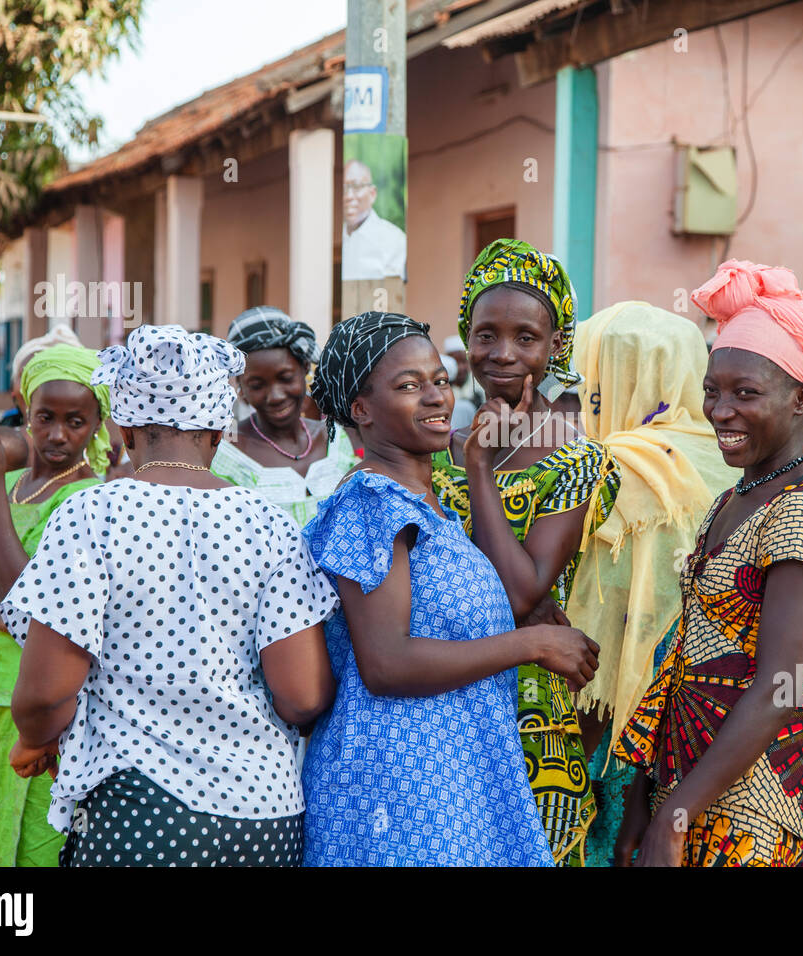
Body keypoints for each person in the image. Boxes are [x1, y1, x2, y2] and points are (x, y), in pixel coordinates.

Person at [1, 325, 336, 867]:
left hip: (137, 809)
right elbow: (301, 696)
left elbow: (44, 694)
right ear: (219, 432)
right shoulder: (269, 524)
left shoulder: (92, 514)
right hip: (264, 814)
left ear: (123, 427)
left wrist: (34, 739)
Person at [301, 311, 599, 866]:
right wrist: (532, 645)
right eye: (409, 386)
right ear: (360, 410)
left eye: (439, 380)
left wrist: (477, 462)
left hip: (453, 782)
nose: (436, 397)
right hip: (396, 793)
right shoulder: (373, 503)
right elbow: (386, 664)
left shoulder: (429, 505)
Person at [612, 260, 803, 867]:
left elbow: (781, 685)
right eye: (712, 390)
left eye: (745, 393)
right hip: (693, 780)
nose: (720, 410)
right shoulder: (736, 498)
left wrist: (673, 817)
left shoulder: (802, 515)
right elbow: (683, 656)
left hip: (750, 804)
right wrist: (647, 799)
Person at [432, 239, 620, 866]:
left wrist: (480, 467)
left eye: (526, 337)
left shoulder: (574, 457)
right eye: (486, 335)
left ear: (556, 345)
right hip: (439, 690)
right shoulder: (431, 451)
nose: (503, 354)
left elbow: (522, 592)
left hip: (530, 707)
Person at [564, 301, 740, 866]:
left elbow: (601, 618)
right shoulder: (733, 459)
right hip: (713, 725)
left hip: (615, 722)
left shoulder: (616, 467)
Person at [0, 344, 107, 867]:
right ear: (25, 413)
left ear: (99, 424)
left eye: (76, 421)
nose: (58, 434)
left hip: (44, 700)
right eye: (45, 418)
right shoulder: (13, 487)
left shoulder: (85, 500)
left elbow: (26, 602)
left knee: (37, 835)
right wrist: (0, 615)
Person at [212, 306, 358, 525]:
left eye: (286, 377)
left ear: (304, 369)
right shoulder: (228, 454)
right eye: (257, 385)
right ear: (240, 386)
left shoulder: (335, 438)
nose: (276, 396)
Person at [342, 159, 406, 280]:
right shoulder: (335, 238)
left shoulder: (394, 238)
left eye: (356, 186)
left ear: (372, 194)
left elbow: (392, 292)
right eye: (344, 188)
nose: (349, 196)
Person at [444, 333, 484, 407]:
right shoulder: (443, 386)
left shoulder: (479, 385)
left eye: (464, 361)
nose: (460, 367)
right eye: (455, 362)